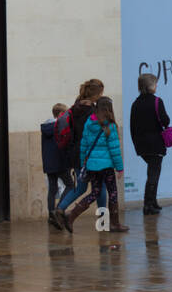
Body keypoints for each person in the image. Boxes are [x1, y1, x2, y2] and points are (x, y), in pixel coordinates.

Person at [63, 96, 129, 233]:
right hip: (106, 167)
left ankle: (72, 215)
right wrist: (120, 168)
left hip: (92, 166)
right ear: (109, 109)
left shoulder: (89, 123)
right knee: (112, 193)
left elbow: (84, 145)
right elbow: (114, 150)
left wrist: (83, 164)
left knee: (95, 192)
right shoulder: (109, 126)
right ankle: (115, 224)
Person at [54, 80, 106, 224]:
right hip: (90, 154)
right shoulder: (92, 112)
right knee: (100, 187)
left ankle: (60, 209)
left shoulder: (74, 108)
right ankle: (103, 221)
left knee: (81, 187)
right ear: (97, 94)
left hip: (76, 153)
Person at [129, 72, 172, 215]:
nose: (157, 86)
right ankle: (148, 204)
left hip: (141, 144)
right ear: (150, 86)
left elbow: (132, 126)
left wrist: (136, 144)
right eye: (155, 83)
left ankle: (152, 202)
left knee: (152, 172)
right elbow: (165, 120)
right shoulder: (157, 101)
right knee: (154, 173)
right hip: (155, 143)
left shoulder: (135, 103)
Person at [41, 102, 74, 230]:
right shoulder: (60, 125)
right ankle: (59, 210)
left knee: (52, 189)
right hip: (60, 162)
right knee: (71, 185)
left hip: (49, 164)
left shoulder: (45, 126)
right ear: (61, 114)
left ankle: (51, 215)